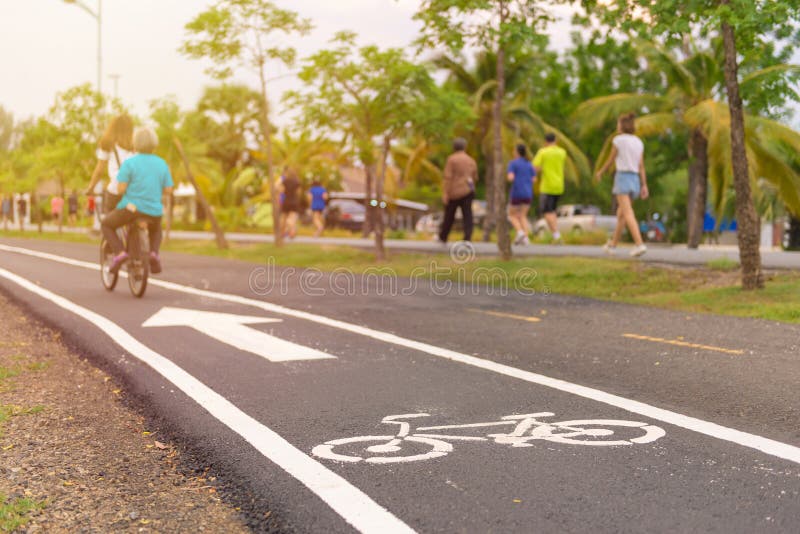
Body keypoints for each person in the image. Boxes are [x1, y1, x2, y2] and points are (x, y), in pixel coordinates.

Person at [102, 127, 174, 275]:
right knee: (156, 228)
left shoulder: (129, 163)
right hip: (154, 209)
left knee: (107, 224)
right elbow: (168, 190)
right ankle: (154, 253)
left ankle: (120, 253)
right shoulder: (162, 164)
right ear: (154, 144)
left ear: (135, 143)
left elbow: (121, 189)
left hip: (132, 208)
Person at [595, 112, 649, 257]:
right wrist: (644, 185)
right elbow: (641, 166)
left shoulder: (618, 140)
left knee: (627, 212)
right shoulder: (639, 142)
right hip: (635, 179)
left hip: (623, 177)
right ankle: (613, 245)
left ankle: (639, 244)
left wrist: (601, 172)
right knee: (622, 214)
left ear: (622, 125)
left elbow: (610, 160)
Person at [87, 114, 135, 232]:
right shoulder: (136, 145)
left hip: (115, 190)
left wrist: (91, 188)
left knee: (109, 224)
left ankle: (117, 249)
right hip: (134, 191)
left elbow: (99, 171)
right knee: (133, 221)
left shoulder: (108, 144)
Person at [439, 138, 477, 243]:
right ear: (465, 147)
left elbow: (448, 177)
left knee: (449, 215)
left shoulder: (452, 159)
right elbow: (475, 177)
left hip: (454, 191)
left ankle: (443, 236)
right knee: (468, 215)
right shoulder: (471, 160)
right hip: (468, 190)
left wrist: (445, 193)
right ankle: (467, 237)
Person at [533, 133, 567, 243]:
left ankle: (556, 235)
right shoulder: (562, 152)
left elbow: (535, 167)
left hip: (547, 186)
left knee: (546, 211)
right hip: (559, 185)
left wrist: (541, 169)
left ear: (545, 141)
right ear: (555, 140)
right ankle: (556, 235)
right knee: (552, 211)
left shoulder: (543, 152)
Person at [507, 144, 536, 246]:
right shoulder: (529, 164)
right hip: (528, 193)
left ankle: (520, 232)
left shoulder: (513, 164)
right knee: (523, 215)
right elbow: (534, 179)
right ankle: (526, 238)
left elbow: (510, 177)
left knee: (512, 215)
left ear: (517, 152)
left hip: (517, 192)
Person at [278, 169, 301, 240]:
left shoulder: (285, 181)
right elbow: (299, 193)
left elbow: (281, 190)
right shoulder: (297, 182)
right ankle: (292, 233)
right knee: (292, 218)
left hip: (286, 201)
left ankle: (281, 233)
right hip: (294, 201)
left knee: (283, 218)